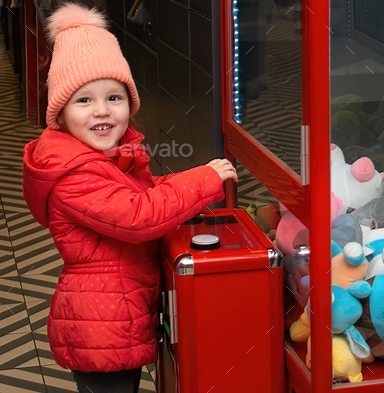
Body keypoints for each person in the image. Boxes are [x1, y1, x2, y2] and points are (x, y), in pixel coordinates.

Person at [22, 3, 237, 393]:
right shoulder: (74, 174)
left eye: (114, 98)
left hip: (116, 316)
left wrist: (188, 185)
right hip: (101, 328)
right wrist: (205, 180)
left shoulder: (101, 158)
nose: (102, 112)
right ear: (61, 113)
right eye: (83, 101)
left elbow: (141, 194)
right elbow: (138, 216)